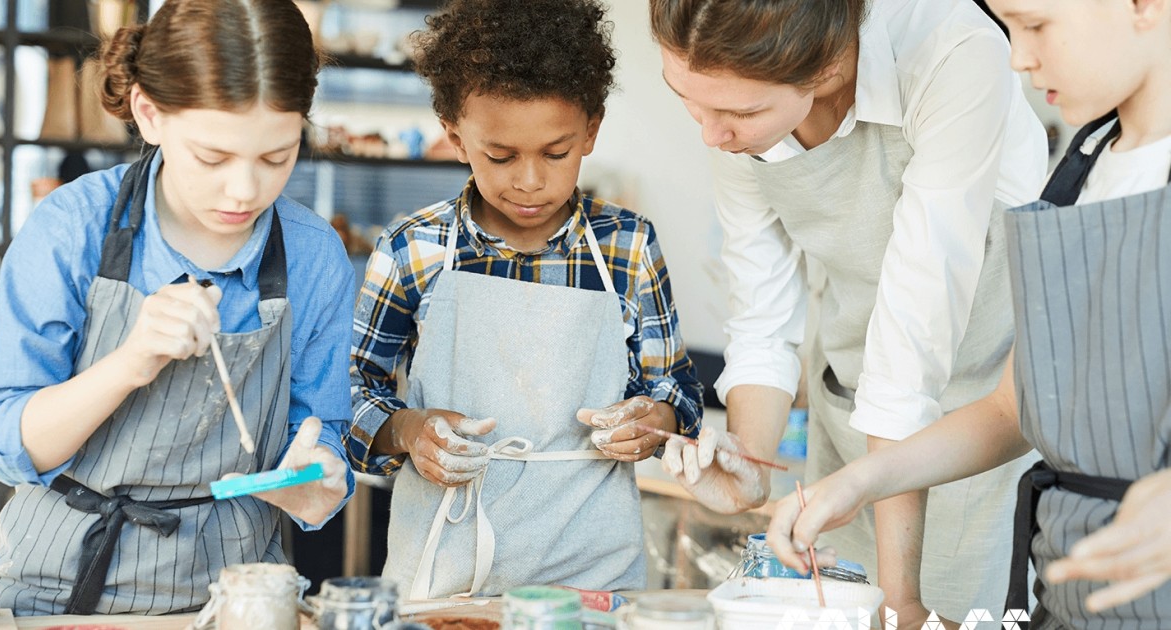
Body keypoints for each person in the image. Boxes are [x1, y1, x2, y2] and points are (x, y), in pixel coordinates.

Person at [766, 0, 1171, 626]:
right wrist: (862, 481)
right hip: (1067, 596)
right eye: (1009, 26)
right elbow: (1011, 408)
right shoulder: (1085, 173)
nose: (1018, 57)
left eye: (1036, 25)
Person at [649, 0, 1049, 623]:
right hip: (850, 415)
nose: (710, 134)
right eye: (687, 100)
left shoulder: (952, 54)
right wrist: (750, 462)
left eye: (741, 111)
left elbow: (912, 335)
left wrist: (901, 602)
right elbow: (761, 315)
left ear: (830, 69)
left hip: (986, 420)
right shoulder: (730, 112)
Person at [0, 0, 355, 616]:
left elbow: (321, 435)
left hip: (237, 597)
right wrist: (131, 360)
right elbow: (6, 448)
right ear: (149, 114)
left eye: (276, 158)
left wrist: (320, 474)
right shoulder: (73, 228)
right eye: (213, 158)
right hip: (57, 592)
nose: (244, 191)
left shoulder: (314, 257)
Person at [345, 0, 704, 599]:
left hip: (591, 575)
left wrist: (655, 421)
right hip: (441, 570)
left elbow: (675, 390)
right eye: (501, 156)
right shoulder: (413, 248)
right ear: (456, 137)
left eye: (556, 153)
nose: (530, 181)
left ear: (591, 129)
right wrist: (410, 431)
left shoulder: (628, 245)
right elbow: (353, 396)